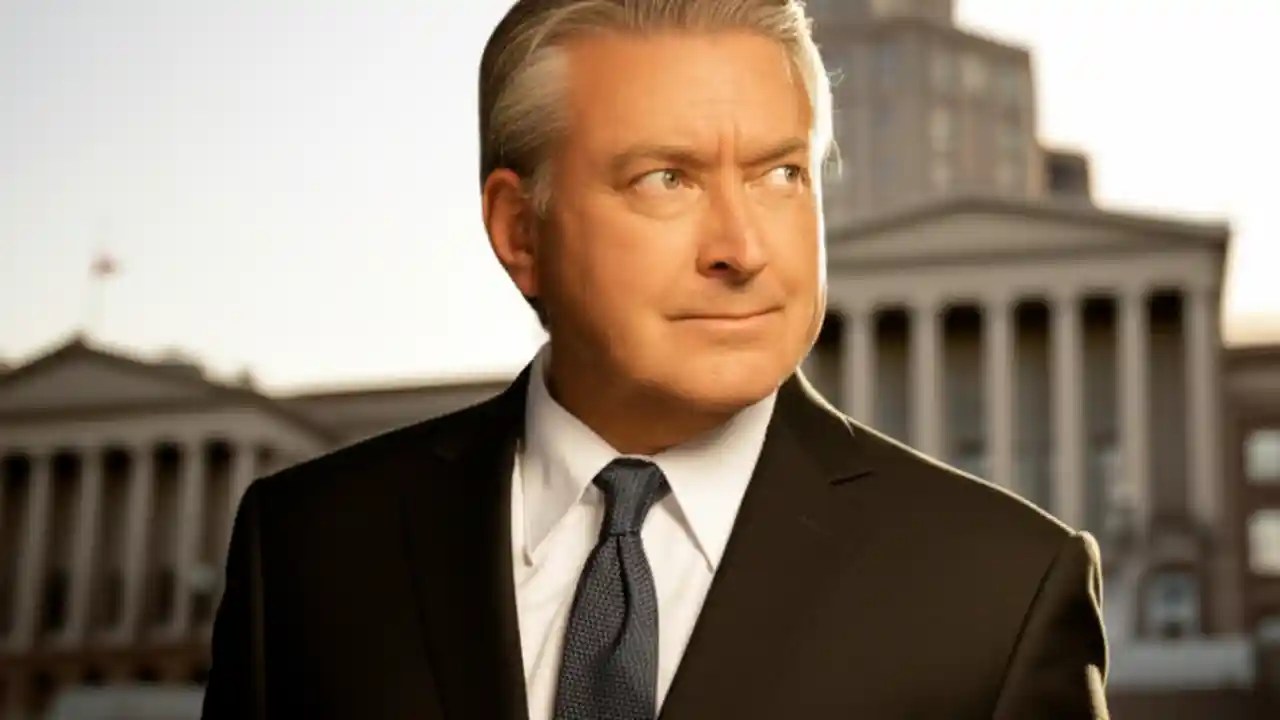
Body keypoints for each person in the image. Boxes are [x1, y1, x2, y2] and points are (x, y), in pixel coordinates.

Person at [202, 0, 1111, 718]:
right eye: (666, 179)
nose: (742, 248)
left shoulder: (1004, 589)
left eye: (780, 173)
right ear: (520, 231)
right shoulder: (308, 547)